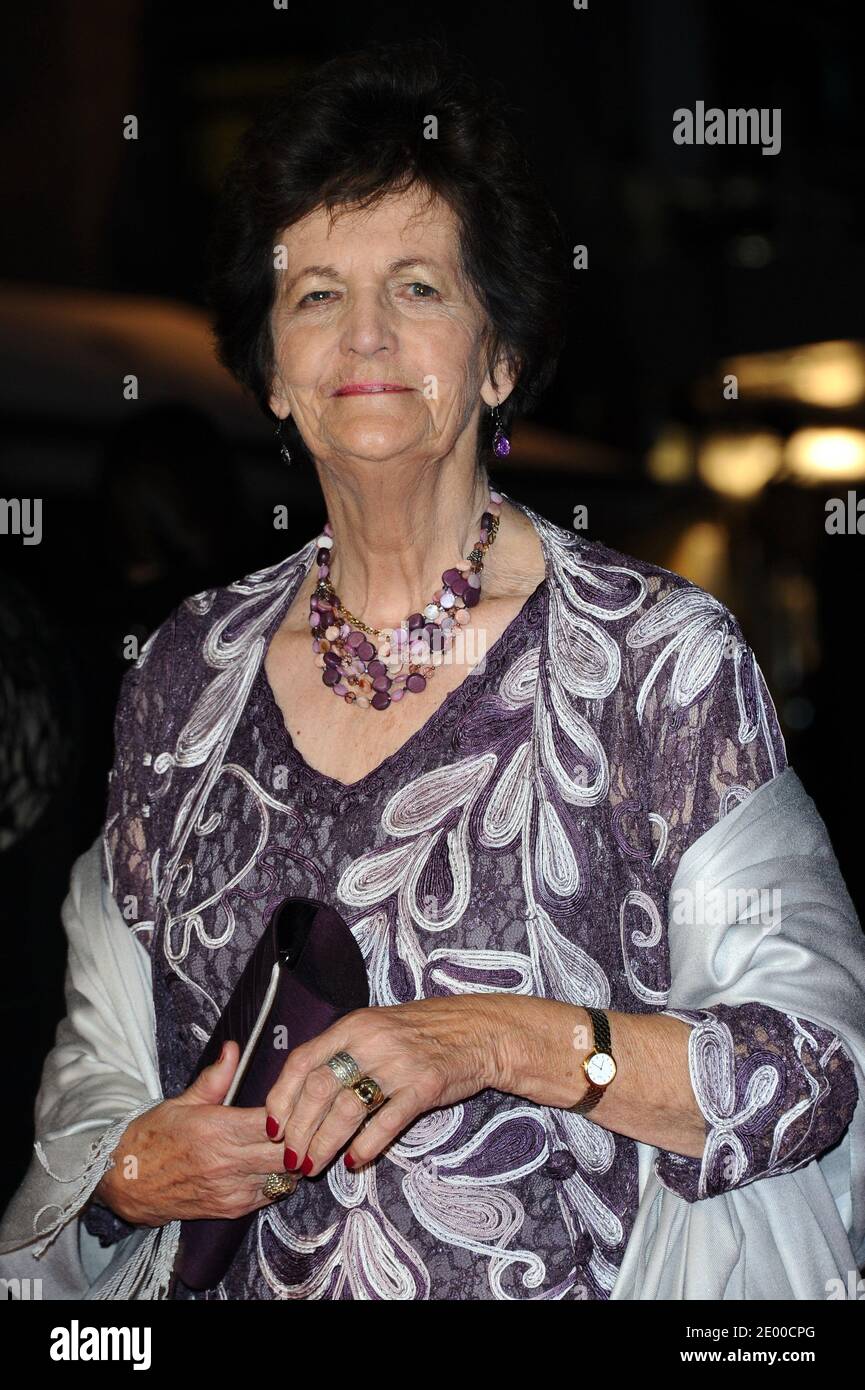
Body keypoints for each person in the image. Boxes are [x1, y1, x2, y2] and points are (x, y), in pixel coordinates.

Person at [1, 38, 863, 1302]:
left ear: (499, 356)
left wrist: (495, 1041)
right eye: (313, 294)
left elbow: (809, 1069)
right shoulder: (187, 672)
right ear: (274, 379)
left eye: (416, 286)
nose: (362, 332)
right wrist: (130, 1173)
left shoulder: (655, 661)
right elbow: (100, 1071)